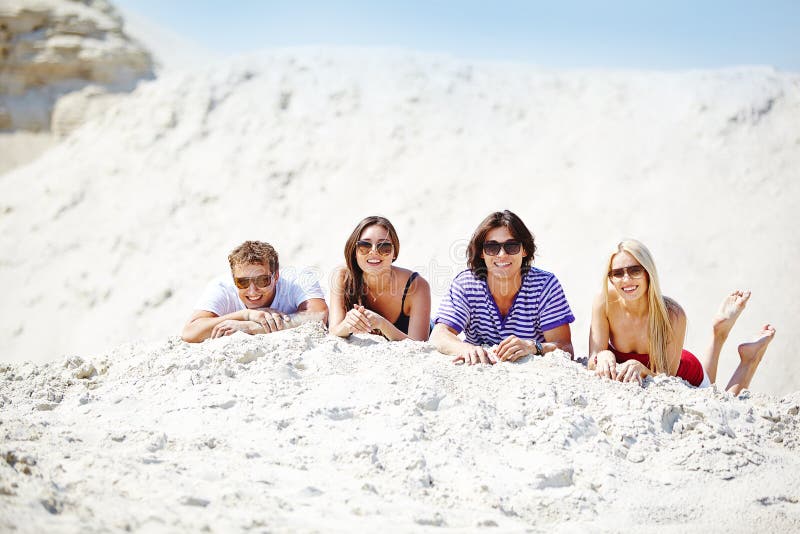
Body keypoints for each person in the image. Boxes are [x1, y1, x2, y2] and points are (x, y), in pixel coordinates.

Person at [588, 239, 775, 394]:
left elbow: (667, 382)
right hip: (672, 360)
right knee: (710, 384)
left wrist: (642, 369)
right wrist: (602, 355)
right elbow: (592, 359)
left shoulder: (673, 315)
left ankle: (749, 358)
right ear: (610, 278)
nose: (626, 279)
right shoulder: (603, 302)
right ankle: (718, 335)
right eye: (617, 273)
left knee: (725, 404)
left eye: (634, 270)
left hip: (683, 372)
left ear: (648, 273)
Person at [430, 210, 575, 364]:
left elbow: (565, 347)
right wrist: (465, 348)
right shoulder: (467, 284)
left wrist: (533, 347)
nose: (501, 254)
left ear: (525, 250)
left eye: (511, 246)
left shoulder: (545, 286)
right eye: (492, 247)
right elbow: (439, 334)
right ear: (481, 253)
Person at [181, 240, 328, 342]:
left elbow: (319, 315)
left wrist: (250, 327)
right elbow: (189, 332)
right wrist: (245, 315)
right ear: (233, 280)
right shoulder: (221, 287)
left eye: (262, 280)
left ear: (276, 276)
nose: (252, 291)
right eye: (242, 282)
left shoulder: (298, 278)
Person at [329, 216, 431, 341]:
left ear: (394, 253)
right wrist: (348, 323)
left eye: (384, 247)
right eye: (364, 246)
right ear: (354, 252)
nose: (373, 251)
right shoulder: (342, 277)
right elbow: (334, 331)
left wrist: (382, 324)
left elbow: (420, 345)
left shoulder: (416, 286)